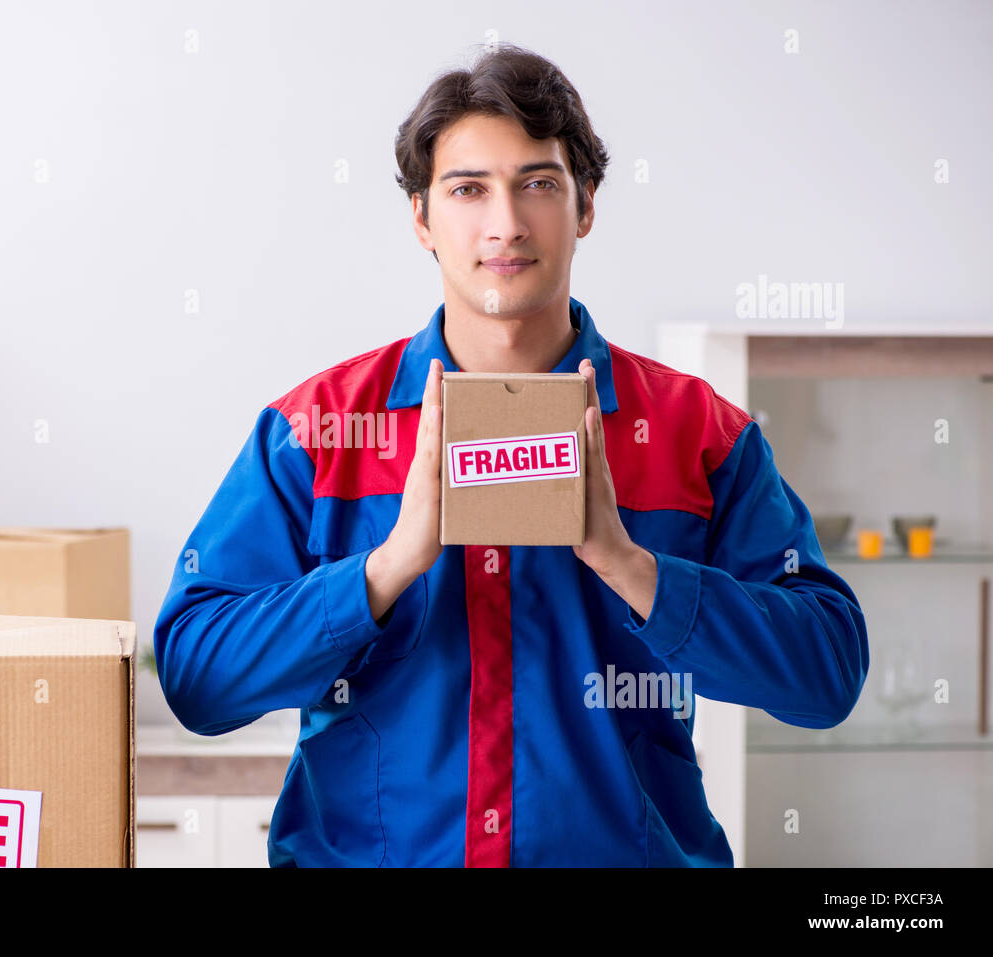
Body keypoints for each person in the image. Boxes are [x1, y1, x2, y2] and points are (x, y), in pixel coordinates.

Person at [153, 43, 869, 867]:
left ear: (585, 205)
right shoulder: (317, 431)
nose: (506, 223)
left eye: (539, 183)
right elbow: (197, 679)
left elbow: (827, 673)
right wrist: (384, 569)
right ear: (421, 218)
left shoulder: (696, 431)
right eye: (468, 190)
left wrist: (630, 565)